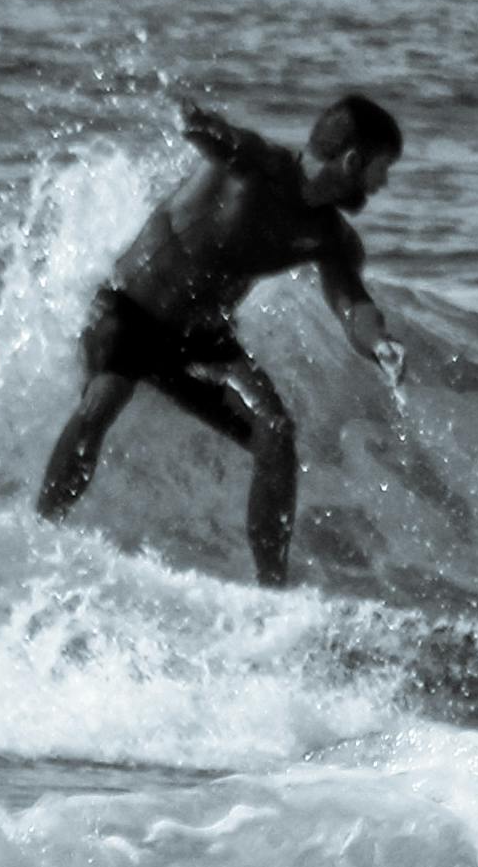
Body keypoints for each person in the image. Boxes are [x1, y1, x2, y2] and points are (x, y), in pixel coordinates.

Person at [27, 89, 406, 586]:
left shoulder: (329, 237)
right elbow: (225, 141)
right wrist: (198, 123)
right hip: (129, 309)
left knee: (276, 431)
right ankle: (36, 537)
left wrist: (379, 343)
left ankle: (271, 591)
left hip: (201, 338)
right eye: (382, 167)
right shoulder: (259, 166)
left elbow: (351, 303)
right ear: (353, 159)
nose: (382, 183)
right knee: (105, 397)